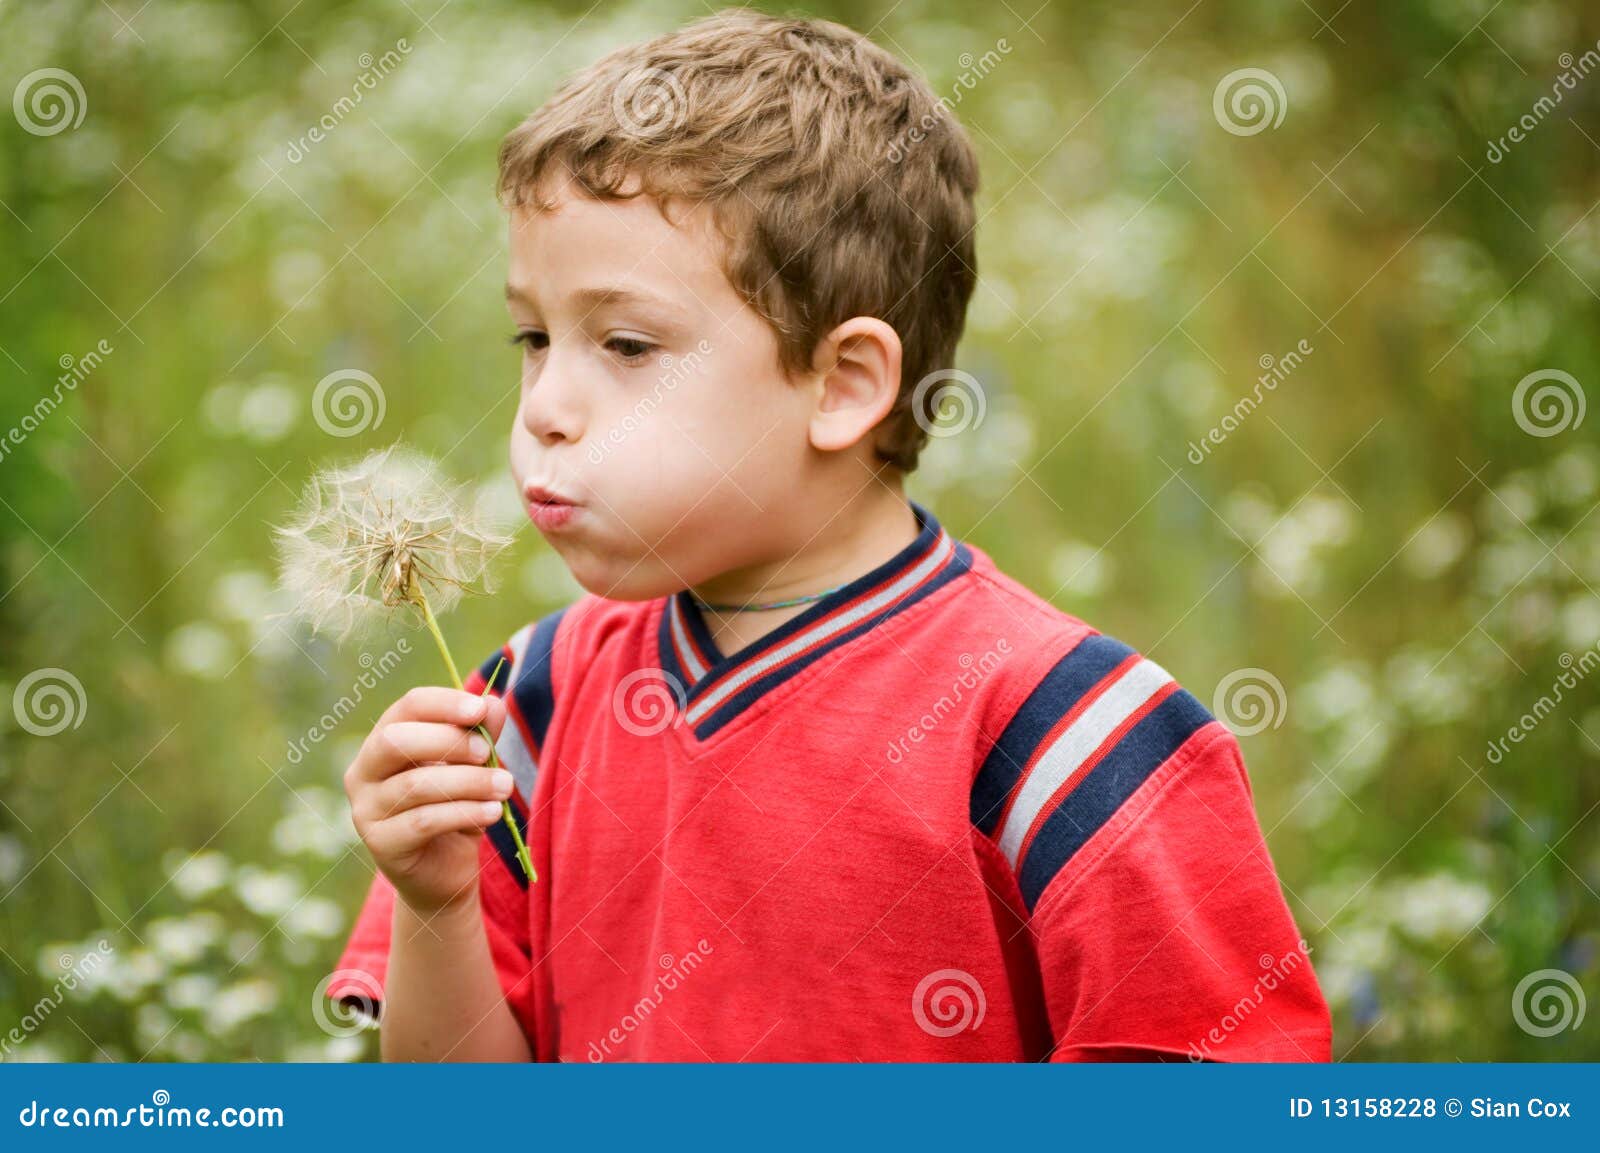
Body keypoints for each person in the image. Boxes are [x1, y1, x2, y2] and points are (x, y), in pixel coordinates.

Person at [330, 8, 1332, 1063]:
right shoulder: (523, 710)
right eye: (535, 337)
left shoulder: (1065, 736)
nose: (545, 405)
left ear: (843, 385)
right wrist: (435, 905)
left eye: (625, 343)